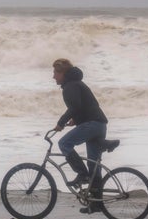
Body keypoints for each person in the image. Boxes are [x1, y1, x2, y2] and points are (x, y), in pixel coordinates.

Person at [50, 58, 117, 201]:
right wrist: (77, 119)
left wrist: (61, 123)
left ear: (63, 73)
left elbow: (75, 107)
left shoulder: (70, 86)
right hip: (99, 124)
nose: (53, 76)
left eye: (55, 72)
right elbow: (87, 105)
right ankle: (96, 203)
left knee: (64, 143)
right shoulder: (76, 84)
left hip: (92, 124)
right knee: (94, 167)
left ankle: (82, 174)